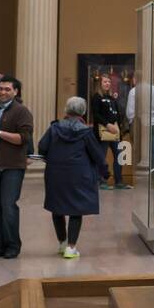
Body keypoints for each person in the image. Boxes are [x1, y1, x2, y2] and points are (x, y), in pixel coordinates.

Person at [39, 96, 106, 259]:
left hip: (56, 174)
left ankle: (62, 243)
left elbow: (42, 147)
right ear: (83, 111)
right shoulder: (86, 132)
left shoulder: (54, 128)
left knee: (57, 207)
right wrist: (105, 172)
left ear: (66, 110)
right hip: (79, 175)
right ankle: (71, 247)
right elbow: (97, 155)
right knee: (76, 209)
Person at [0, 75, 34, 258]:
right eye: (0, 89)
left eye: (7, 89)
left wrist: (0, 134)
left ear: (15, 92)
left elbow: (23, 138)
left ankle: (13, 246)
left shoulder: (21, 111)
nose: (2, 92)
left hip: (12, 167)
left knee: (8, 205)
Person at [91, 74, 126, 189]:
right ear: (100, 83)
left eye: (109, 82)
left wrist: (119, 128)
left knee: (119, 156)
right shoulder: (96, 97)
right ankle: (101, 181)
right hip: (103, 132)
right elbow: (96, 115)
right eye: (105, 82)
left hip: (115, 132)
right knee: (102, 157)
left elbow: (117, 113)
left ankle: (119, 181)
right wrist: (107, 124)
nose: (107, 84)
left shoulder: (112, 97)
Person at [126, 80, 154, 187]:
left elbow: (130, 112)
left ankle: (139, 182)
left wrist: (132, 124)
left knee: (137, 154)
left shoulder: (134, 91)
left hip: (139, 125)